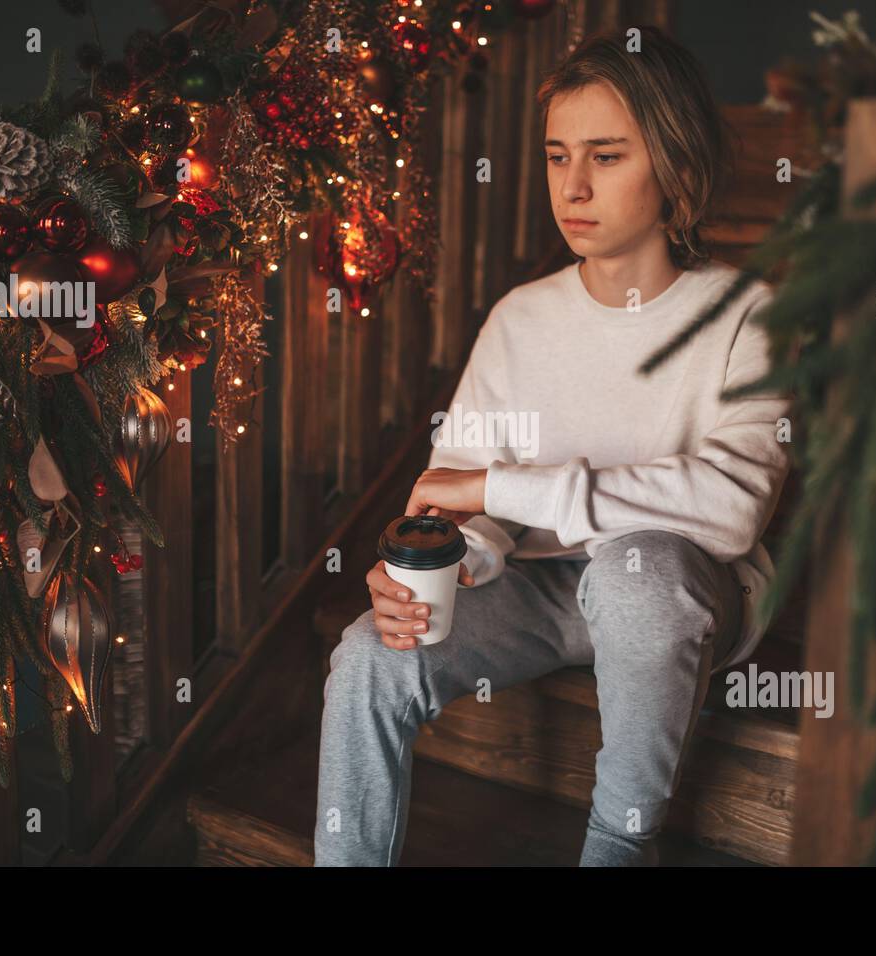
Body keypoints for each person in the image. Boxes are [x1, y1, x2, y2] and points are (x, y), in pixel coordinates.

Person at [314, 25, 790, 866]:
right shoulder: (521, 317)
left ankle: (615, 851)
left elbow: (730, 509)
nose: (572, 185)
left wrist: (503, 486)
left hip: (676, 594)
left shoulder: (747, 314)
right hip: (536, 590)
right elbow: (472, 514)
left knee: (634, 571)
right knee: (364, 656)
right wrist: (435, 570)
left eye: (606, 157)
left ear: (674, 165)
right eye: (556, 155)